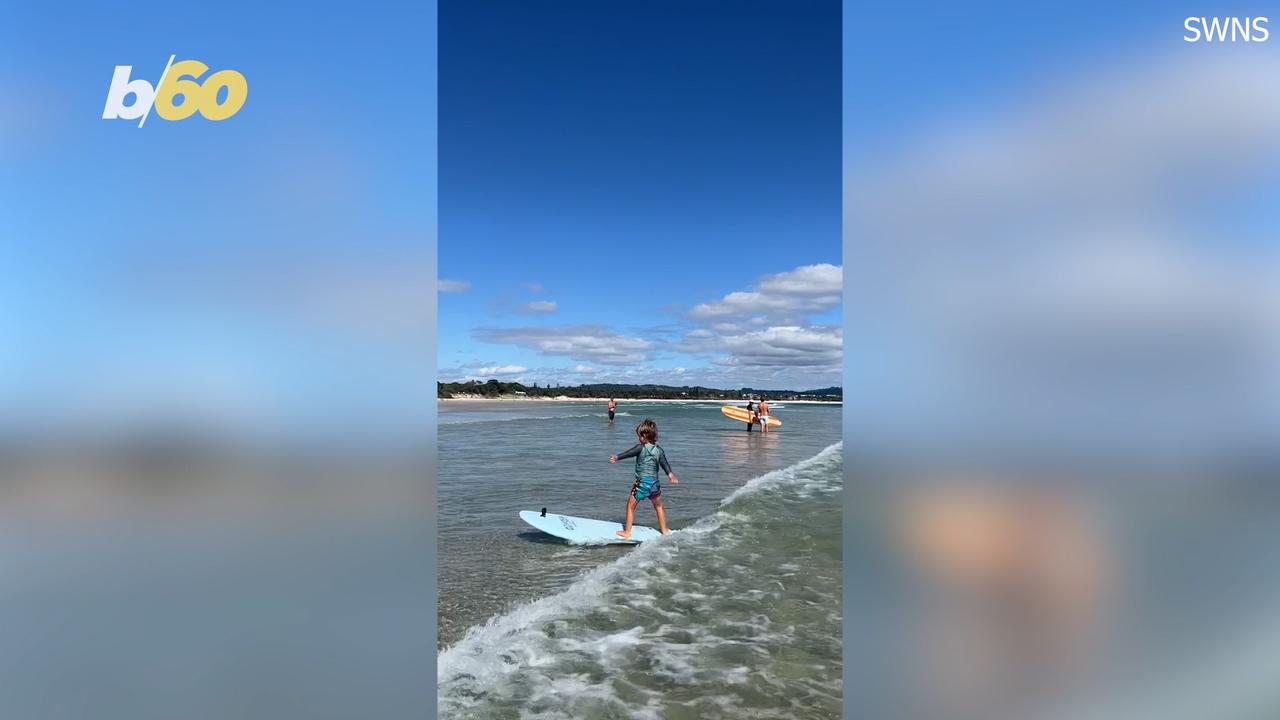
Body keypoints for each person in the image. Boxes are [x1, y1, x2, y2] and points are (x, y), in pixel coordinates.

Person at [609, 418, 678, 538]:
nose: (638, 438)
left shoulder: (640, 448)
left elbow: (628, 453)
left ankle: (627, 532)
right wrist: (670, 475)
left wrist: (617, 457)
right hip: (655, 484)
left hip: (642, 484)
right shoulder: (659, 450)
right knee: (658, 506)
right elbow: (664, 464)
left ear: (645, 436)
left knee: (630, 507)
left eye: (640, 435)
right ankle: (664, 530)